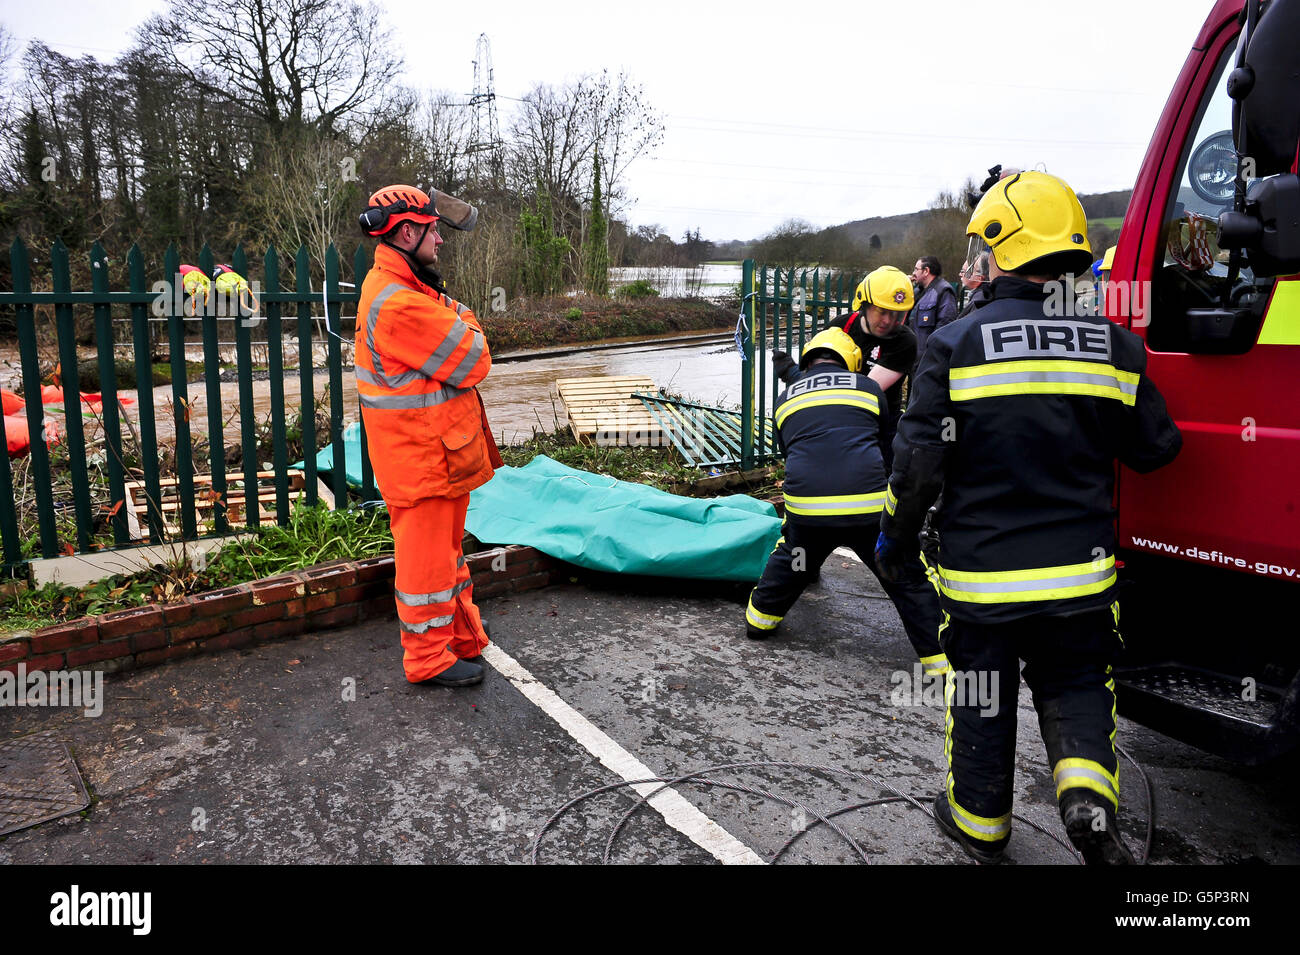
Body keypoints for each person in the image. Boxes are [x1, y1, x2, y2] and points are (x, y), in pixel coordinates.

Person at [875, 171, 1182, 864]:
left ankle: (980, 823)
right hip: (1081, 578)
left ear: (1001, 251)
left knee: (982, 693)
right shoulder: (1118, 348)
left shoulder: (953, 344)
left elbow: (916, 467)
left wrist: (894, 541)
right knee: (1076, 682)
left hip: (983, 583)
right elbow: (1158, 449)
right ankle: (1087, 799)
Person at [354, 185, 502, 688]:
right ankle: (428, 659)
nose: (440, 238)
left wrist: (454, 315)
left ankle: (462, 639)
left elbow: (456, 343)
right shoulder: (400, 304)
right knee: (426, 568)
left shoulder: (407, 290)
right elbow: (475, 359)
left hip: (432, 455)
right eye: (432, 228)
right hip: (422, 461)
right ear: (407, 231)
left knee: (444, 558)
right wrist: (463, 318)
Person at [747, 328, 946, 678]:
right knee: (905, 575)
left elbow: (790, 452)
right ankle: (940, 660)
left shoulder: (783, 398)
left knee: (792, 558)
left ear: (808, 361)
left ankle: (759, 621)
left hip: (808, 514)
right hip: (869, 513)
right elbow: (889, 447)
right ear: (852, 362)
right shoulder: (869, 389)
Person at [774, 265, 917, 471]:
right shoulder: (840, 327)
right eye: (882, 311)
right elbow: (818, 376)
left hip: (878, 429)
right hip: (834, 421)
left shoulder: (905, 341)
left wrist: (796, 376)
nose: (888, 321)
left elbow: (865, 390)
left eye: (897, 314)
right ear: (864, 304)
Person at [908, 255, 958, 366]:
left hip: (928, 360)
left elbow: (945, 326)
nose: (913, 273)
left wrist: (931, 354)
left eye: (916, 269)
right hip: (913, 358)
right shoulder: (916, 291)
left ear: (926, 271)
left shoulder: (944, 291)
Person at [957, 251, 990, 317]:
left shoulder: (978, 302)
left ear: (979, 277)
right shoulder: (984, 296)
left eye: (963, 271)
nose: (960, 274)